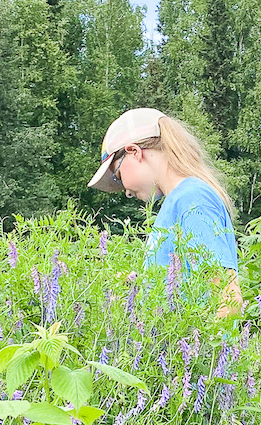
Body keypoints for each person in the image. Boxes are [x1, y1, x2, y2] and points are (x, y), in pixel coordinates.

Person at [89, 108, 242, 318]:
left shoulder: (193, 199)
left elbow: (227, 299)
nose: (125, 190)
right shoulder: (176, 202)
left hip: (196, 349)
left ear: (134, 152)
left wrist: (203, 349)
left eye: (117, 175)